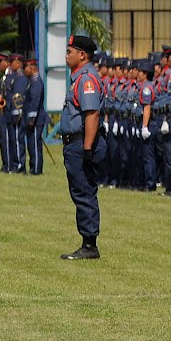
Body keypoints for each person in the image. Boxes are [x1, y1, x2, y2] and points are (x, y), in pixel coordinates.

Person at [59, 36, 106, 260]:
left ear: (82, 55)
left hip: (81, 143)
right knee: (80, 191)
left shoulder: (86, 79)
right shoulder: (78, 78)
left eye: (70, 51)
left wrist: (87, 148)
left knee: (84, 191)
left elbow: (92, 114)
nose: (66, 55)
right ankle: (87, 242)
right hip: (76, 143)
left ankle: (90, 245)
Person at [22, 55, 46, 176]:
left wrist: (31, 118)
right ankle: (33, 167)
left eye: (25, 67)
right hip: (31, 118)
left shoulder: (36, 83)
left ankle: (36, 169)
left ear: (31, 67)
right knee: (31, 144)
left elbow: (35, 101)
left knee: (35, 144)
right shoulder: (31, 82)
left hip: (36, 119)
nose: (24, 70)